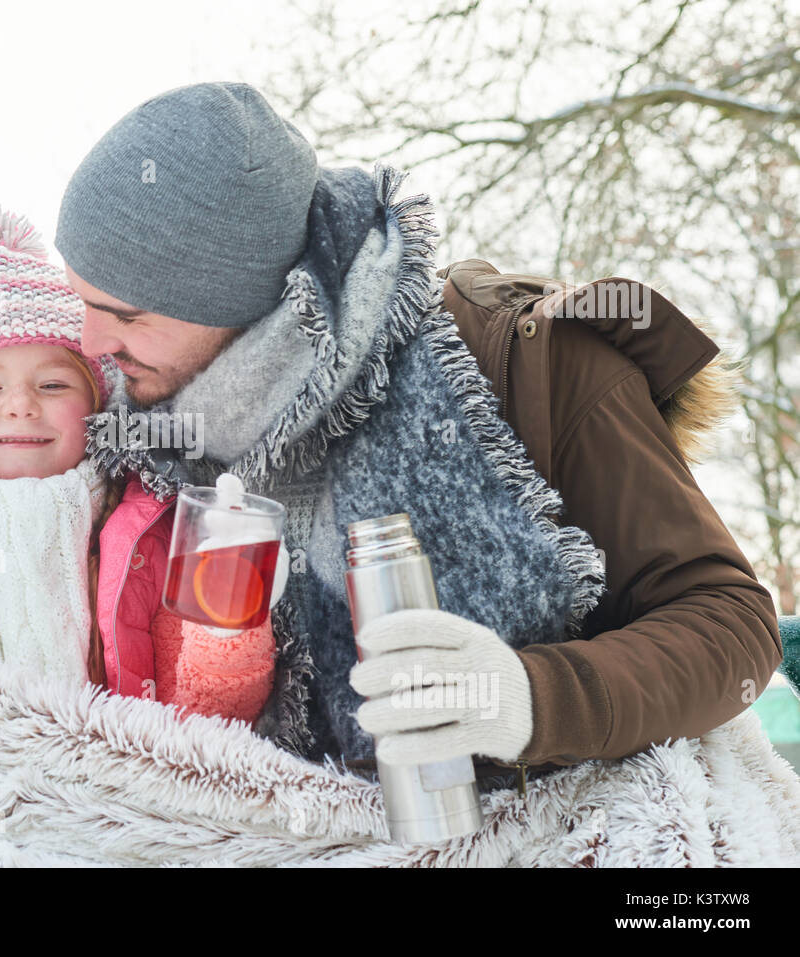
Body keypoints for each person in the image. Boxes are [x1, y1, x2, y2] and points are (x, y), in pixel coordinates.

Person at [54, 82, 782, 786]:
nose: (90, 340)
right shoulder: (131, 428)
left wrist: (530, 699)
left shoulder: (523, 362)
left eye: (124, 311)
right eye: (80, 299)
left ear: (233, 294)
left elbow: (731, 623)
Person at [0, 200, 275, 721]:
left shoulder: (148, 537)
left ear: (95, 408)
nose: (20, 404)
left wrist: (227, 629)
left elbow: (213, 719)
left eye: (52, 384)